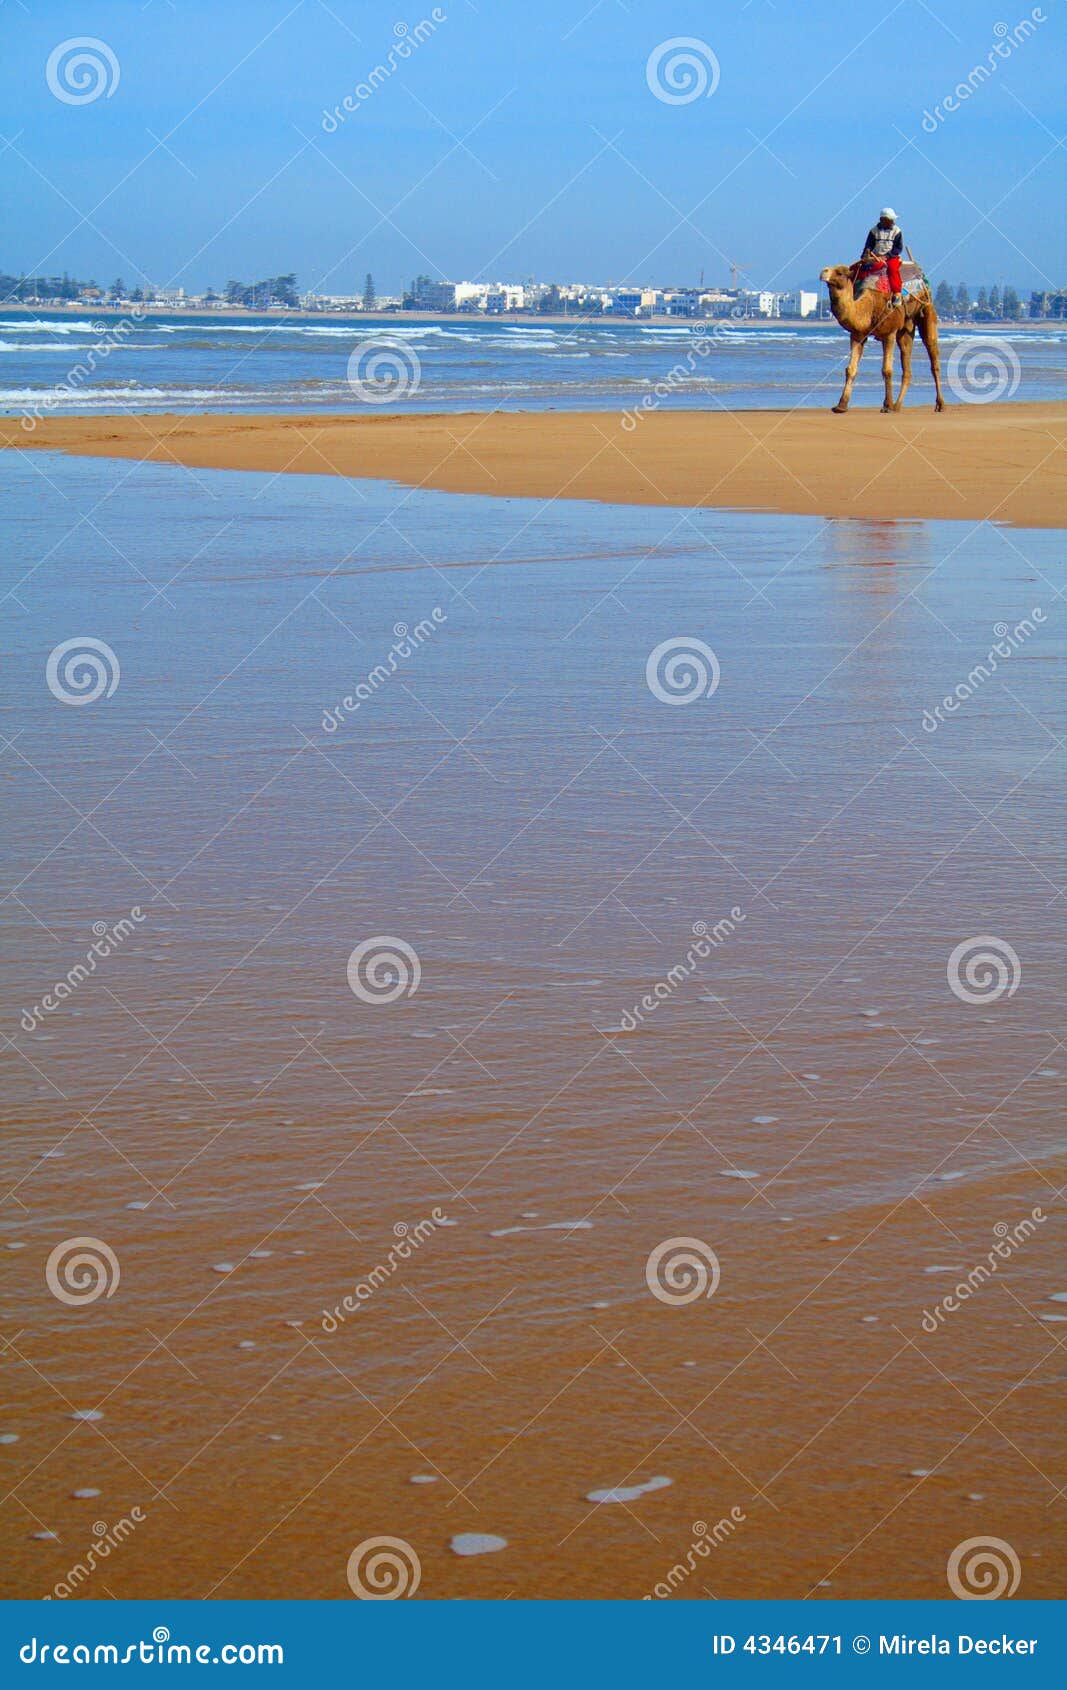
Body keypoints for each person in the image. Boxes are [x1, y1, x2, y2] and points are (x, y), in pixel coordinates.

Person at [862, 207, 904, 307]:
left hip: (891, 257)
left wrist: (887, 256)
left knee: (893, 270)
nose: (892, 221)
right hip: (875, 257)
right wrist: (866, 254)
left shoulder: (897, 231)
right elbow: (869, 245)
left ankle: (897, 294)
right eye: (890, 220)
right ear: (883, 220)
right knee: (861, 269)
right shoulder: (874, 231)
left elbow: (898, 248)